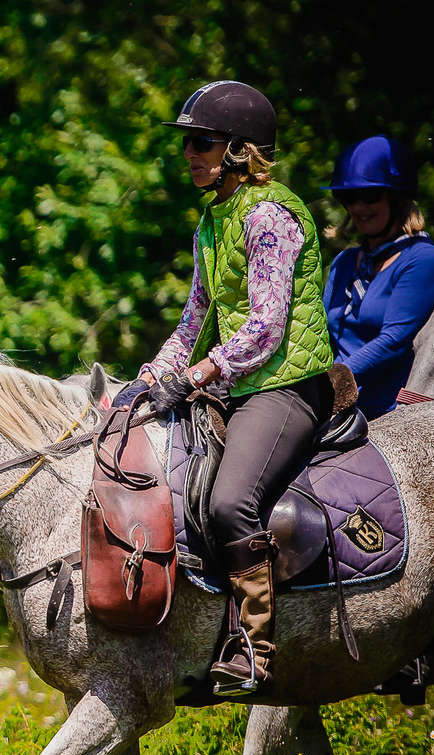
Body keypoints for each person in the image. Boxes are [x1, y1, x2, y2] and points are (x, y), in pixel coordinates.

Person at [114, 81, 335, 697]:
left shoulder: (271, 216)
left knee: (226, 501)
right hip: (234, 385)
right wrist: (145, 382)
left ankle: (255, 648)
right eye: (188, 142)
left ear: (239, 150)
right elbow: (193, 321)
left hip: (286, 386)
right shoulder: (213, 218)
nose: (188, 153)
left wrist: (199, 374)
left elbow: (265, 328)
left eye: (200, 142)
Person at [322, 135, 434, 418]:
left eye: (369, 196)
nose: (358, 208)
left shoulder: (421, 259)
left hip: (385, 411)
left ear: (397, 197)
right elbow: (321, 331)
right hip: (330, 401)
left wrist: (335, 380)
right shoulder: (344, 262)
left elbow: (393, 340)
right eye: (349, 198)